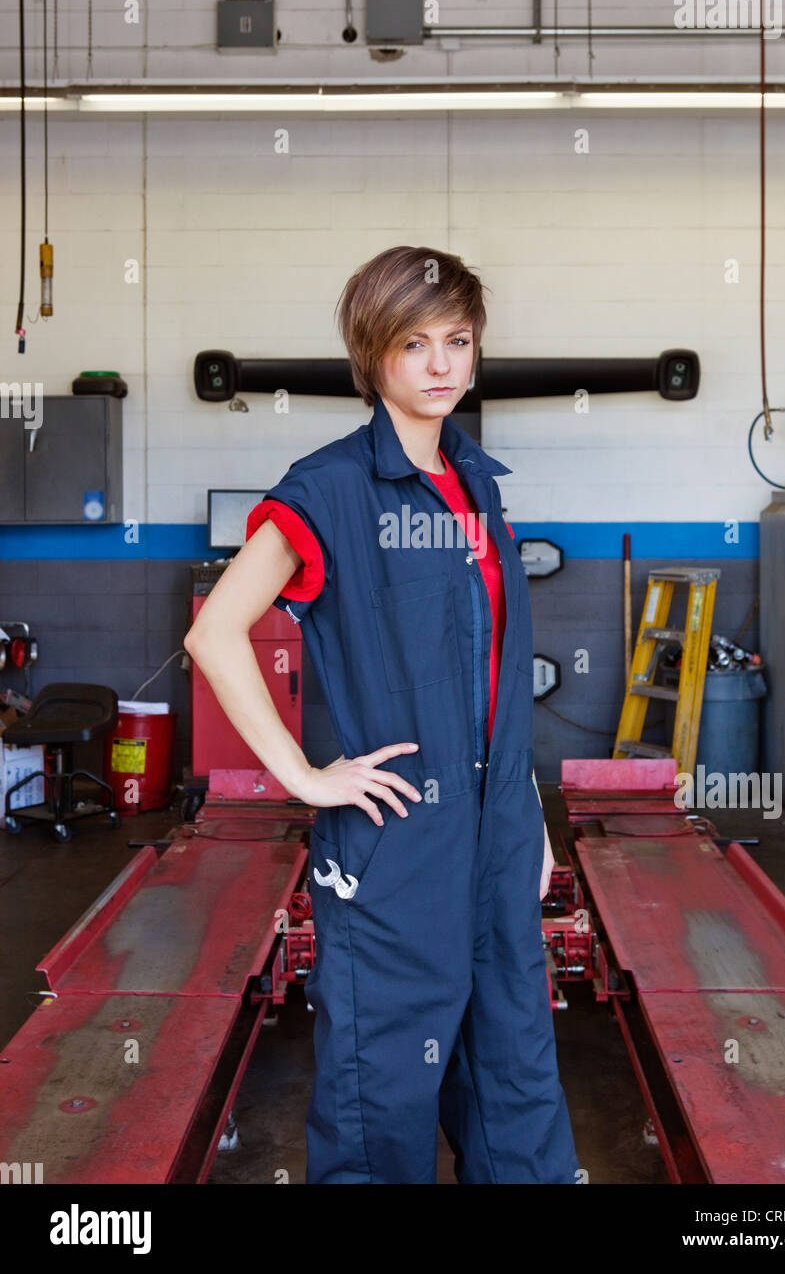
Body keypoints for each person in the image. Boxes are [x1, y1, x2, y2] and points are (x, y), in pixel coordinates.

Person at [184, 244, 579, 1184]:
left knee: (516, 1075)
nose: (442, 365)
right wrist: (306, 778)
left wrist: (526, 821)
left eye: (458, 341)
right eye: (414, 344)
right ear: (373, 356)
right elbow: (216, 634)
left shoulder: (478, 486)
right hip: (395, 845)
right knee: (382, 1104)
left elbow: (486, 675)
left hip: (494, 841)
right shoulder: (325, 491)